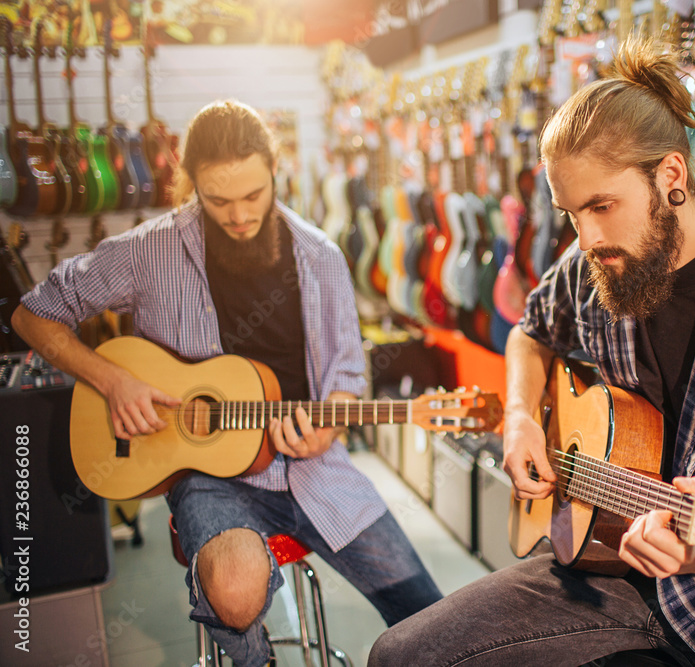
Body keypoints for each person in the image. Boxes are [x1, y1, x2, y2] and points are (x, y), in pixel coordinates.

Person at [368, 37, 695, 666]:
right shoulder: (594, 267)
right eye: (571, 213)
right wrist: (524, 417)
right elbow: (531, 330)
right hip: (608, 569)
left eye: (602, 206)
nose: (586, 237)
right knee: (401, 654)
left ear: (671, 176)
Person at [12, 99, 442, 667]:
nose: (239, 215)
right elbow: (31, 314)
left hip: (313, 471)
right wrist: (112, 380)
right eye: (218, 200)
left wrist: (329, 429)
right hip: (206, 478)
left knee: (434, 620)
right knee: (236, 591)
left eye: (253, 196)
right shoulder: (147, 250)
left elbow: (345, 379)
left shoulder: (321, 255)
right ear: (190, 183)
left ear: (274, 169)